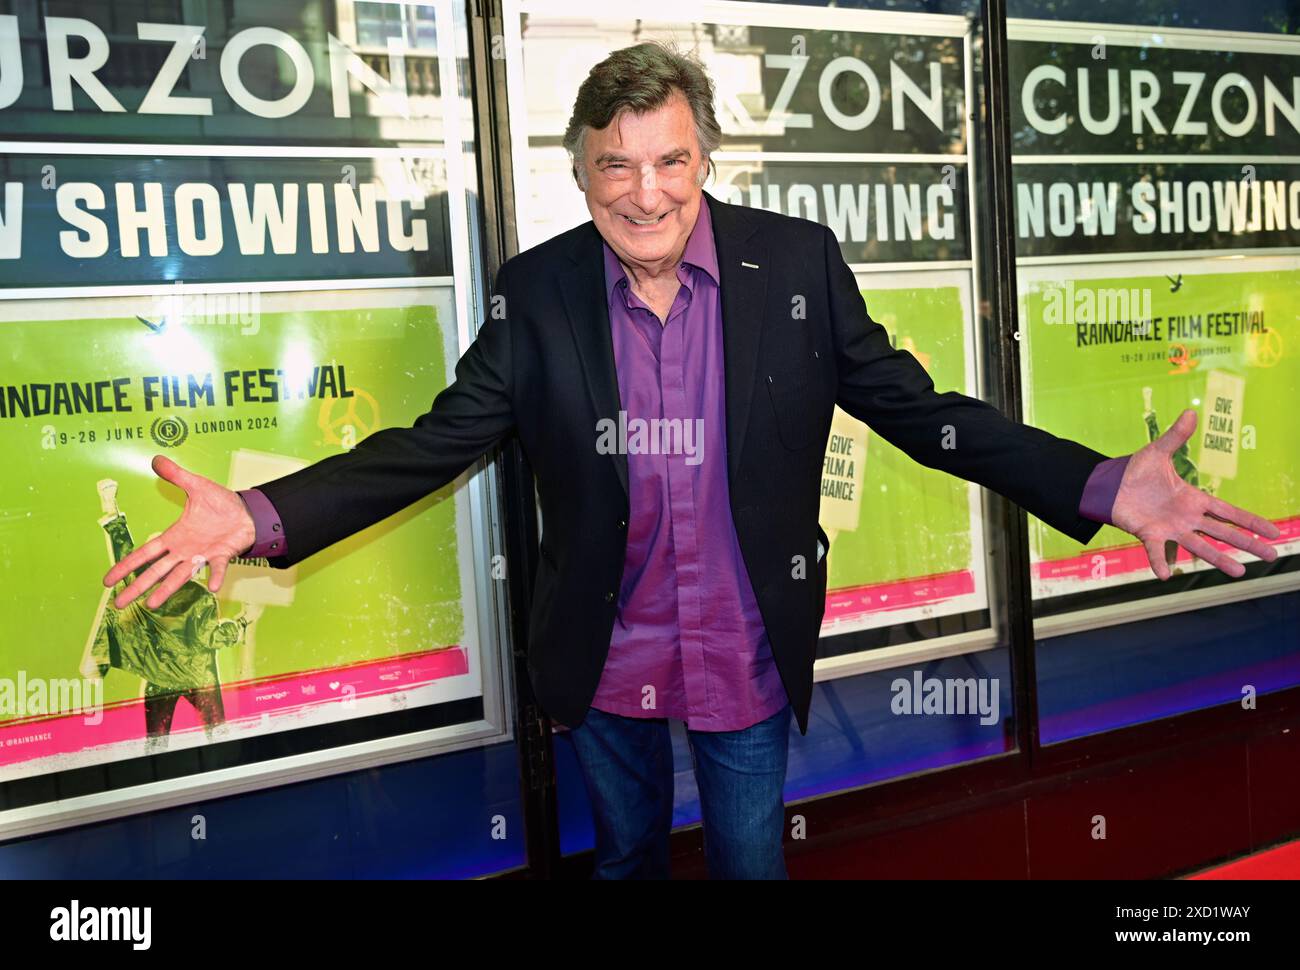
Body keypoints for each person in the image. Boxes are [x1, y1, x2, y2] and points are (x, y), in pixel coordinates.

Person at [104, 43, 1280, 878]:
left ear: (705, 157)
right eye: (614, 166)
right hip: (602, 650)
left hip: (743, 646)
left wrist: (1093, 480)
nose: (644, 191)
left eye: (667, 160)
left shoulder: (799, 266)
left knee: (749, 860)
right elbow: (435, 444)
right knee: (621, 859)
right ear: (580, 173)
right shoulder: (540, 292)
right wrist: (259, 514)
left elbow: (919, 414)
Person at [90, 479, 252, 751]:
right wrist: (243, 623)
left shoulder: (140, 587)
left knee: (155, 743)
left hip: (159, 680)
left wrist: (111, 508)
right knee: (219, 735)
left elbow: (126, 554)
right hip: (199, 681)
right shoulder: (199, 596)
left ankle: (154, 778)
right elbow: (211, 637)